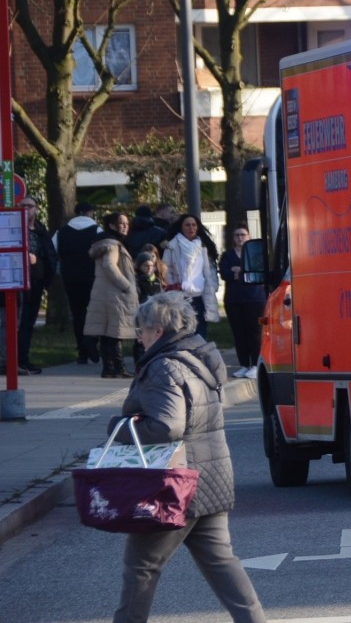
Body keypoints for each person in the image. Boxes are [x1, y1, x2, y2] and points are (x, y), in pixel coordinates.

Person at [110, 292, 268, 623]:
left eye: (141, 330)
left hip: (174, 484)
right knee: (221, 561)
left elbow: (167, 426)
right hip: (210, 477)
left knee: (141, 565)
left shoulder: (163, 366)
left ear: (158, 330)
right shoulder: (200, 359)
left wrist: (120, 427)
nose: (139, 337)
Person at [86, 215, 140, 378]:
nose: (125, 226)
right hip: (115, 295)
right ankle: (119, 368)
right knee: (116, 333)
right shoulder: (112, 244)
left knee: (106, 332)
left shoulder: (103, 242)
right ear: (112, 225)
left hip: (104, 293)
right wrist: (126, 285)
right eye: (121, 223)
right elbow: (109, 265)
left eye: (126, 223)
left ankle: (108, 369)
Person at [55, 201, 103, 364]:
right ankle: (93, 340)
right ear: (90, 212)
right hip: (93, 276)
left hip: (70, 277)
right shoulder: (97, 231)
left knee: (78, 313)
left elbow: (53, 251)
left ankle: (82, 351)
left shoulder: (61, 232)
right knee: (96, 311)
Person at [12, 197, 55, 374]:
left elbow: (50, 255)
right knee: (18, 323)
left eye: (29, 206)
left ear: (36, 209)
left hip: (36, 282)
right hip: (17, 284)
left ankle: (23, 359)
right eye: (22, 205)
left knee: (28, 324)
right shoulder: (13, 228)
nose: (26, 209)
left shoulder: (40, 230)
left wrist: (46, 277)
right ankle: (16, 360)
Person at [163, 214, 220, 341]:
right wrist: (172, 286)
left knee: (200, 333)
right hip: (180, 297)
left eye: (194, 225)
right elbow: (165, 269)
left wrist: (213, 286)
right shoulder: (172, 246)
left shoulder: (204, 246)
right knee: (182, 332)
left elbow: (210, 270)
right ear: (181, 227)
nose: (191, 228)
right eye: (187, 225)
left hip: (200, 296)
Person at [218, 224, 265, 378]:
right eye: (237, 235)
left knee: (254, 333)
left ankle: (255, 364)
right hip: (234, 299)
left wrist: (239, 271)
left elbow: (258, 271)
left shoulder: (255, 253)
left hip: (254, 298)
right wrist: (238, 273)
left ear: (249, 236)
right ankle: (244, 364)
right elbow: (225, 273)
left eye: (243, 234)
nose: (240, 238)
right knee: (239, 333)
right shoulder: (227, 255)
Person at [132, 248, 167, 367]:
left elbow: (161, 295)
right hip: (142, 313)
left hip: (155, 313)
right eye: (145, 266)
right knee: (141, 340)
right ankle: (140, 364)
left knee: (155, 338)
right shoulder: (137, 281)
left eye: (151, 266)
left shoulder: (156, 281)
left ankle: (152, 362)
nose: (149, 268)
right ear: (140, 267)